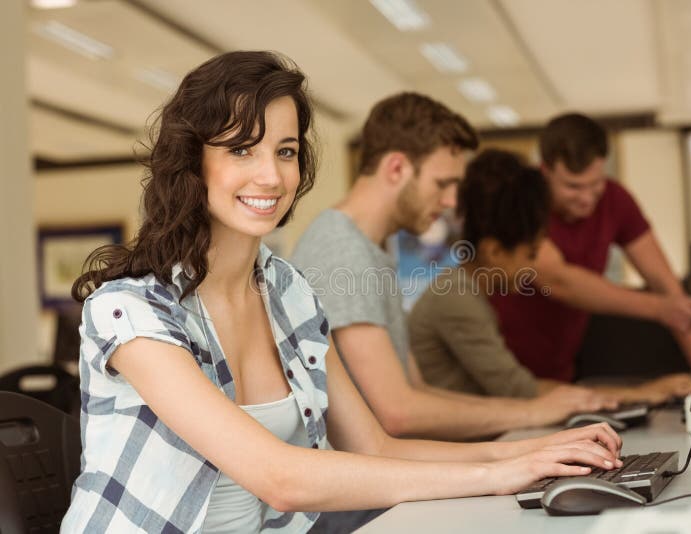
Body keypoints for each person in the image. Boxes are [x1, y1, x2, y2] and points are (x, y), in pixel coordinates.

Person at [61, 52, 623, 534]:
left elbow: (375, 446)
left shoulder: (286, 293)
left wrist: (534, 453)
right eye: (241, 150)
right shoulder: (130, 311)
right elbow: (280, 478)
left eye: (284, 151)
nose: (272, 177)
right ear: (192, 161)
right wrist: (497, 477)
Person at [292, 92, 619, 446]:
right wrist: (533, 412)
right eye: (443, 184)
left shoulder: (370, 251)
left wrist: (541, 408)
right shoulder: (344, 252)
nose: (451, 202)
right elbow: (398, 412)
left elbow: (417, 390)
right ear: (397, 168)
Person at [409, 149, 691, 404]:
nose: (534, 268)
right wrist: (641, 394)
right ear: (494, 252)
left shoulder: (468, 294)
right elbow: (521, 392)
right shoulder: (458, 300)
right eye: (531, 253)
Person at [489, 114, 691, 383]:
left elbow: (669, 291)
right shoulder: (522, 200)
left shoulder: (615, 199)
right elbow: (558, 280)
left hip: (560, 372)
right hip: (501, 367)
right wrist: (660, 308)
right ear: (545, 171)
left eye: (596, 183)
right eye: (573, 186)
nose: (586, 198)